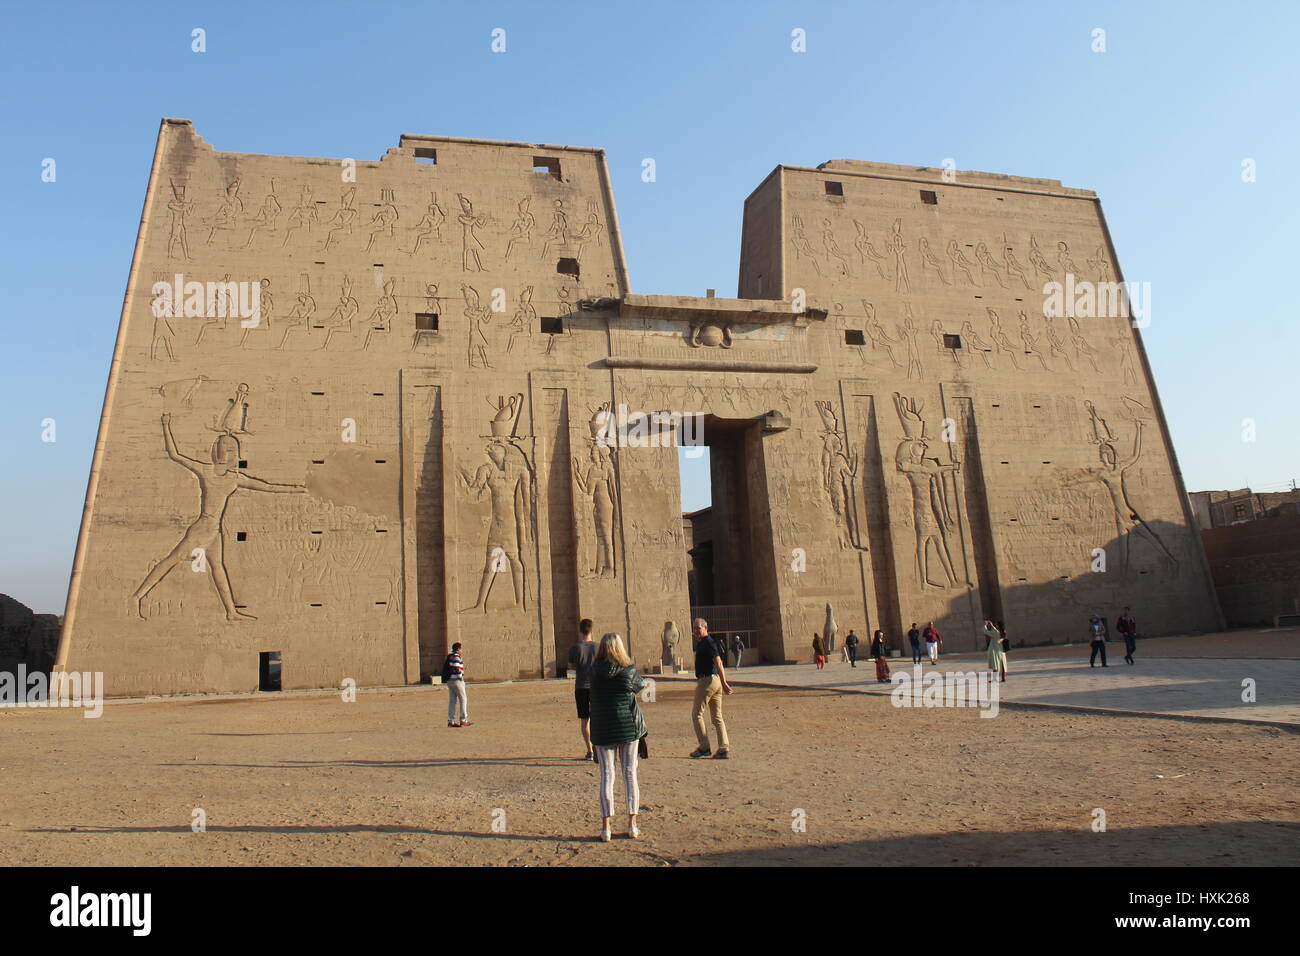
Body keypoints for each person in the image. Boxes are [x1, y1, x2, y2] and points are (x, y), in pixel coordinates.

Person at [588, 632, 645, 842]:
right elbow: (640, 686)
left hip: (603, 728)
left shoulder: (593, 672)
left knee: (606, 775)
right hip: (627, 727)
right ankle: (632, 824)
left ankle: (606, 828)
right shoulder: (628, 671)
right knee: (630, 773)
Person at [689, 618, 733, 759]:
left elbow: (719, 662)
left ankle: (704, 747)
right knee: (717, 717)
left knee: (696, 714)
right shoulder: (703, 643)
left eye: (698, 628)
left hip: (708, 681)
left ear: (706, 628)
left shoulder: (708, 642)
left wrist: (725, 682)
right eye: (694, 628)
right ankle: (723, 748)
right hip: (714, 681)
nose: (696, 630)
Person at [568, 618, 597, 760]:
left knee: (585, 720)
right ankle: (599, 748)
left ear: (580, 631)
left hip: (581, 687)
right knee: (598, 718)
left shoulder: (574, 648)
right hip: (596, 687)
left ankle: (590, 750)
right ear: (591, 630)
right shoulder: (598, 647)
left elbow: (571, 667)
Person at [442, 642, 472, 727]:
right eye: (461, 649)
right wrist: (460, 677)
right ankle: (463, 719)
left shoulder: (450, 656)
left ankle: (451, 721)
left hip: (450, 681)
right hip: (456, 680)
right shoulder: (456, 656)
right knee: (463, 699)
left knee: (452, 701)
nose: (462, 651)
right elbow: (456, 667)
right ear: (458, 649)